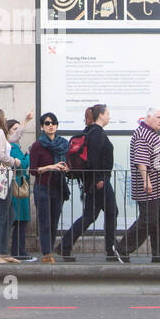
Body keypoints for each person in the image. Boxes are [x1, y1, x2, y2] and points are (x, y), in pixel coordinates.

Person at [56, 104, 123, 262]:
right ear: (100, 115)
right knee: (111, 212)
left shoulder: (90, 132)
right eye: (107, 113)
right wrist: (99, 178)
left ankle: (65, 246)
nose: (109, 117)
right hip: (99, 181)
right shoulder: (97, 133)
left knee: (90, 215)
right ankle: (110, 250)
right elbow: (94, 158)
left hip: (93, 181)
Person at [116, 108, 160, 263]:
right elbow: (141, 160)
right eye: (158, 117)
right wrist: (146, 180)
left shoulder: (150, 133)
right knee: (148, 220)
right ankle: (122, 248)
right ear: (148, 118)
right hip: (150, 188)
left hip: (159, 188)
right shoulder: (143, 134)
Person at [0, 108, 32, 264]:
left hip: (3, 177)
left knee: (9, 215)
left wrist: (25, 121)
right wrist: (15, 162)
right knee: (1, 216)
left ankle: (3, 253)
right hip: (0, 177)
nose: (5, 120)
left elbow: (15, 136)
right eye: (3, 117)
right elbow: (1, 155)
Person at [29, 112, 69, 264]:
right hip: (43, 187)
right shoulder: (37, 145)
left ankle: (50, 251)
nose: (51, 125)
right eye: (47, 123)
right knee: (44, 222)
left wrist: (66, 169)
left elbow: (69, 165)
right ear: (42, 127)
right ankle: (46, 254)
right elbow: (33, 170)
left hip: (58, 186)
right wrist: (50, 167)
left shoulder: (63, 144)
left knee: (54, 222)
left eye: (53, 123)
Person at [7, 120, 35, 261]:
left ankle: (18, 250)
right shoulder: (12, 147)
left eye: (19, 129)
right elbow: (22, 164)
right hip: (17, 184)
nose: (18, 132)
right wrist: (29, 155)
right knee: (19, 220)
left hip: (18, 183)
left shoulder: (14, 146)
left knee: (16, 220)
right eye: (14, 129)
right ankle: (19, 251)